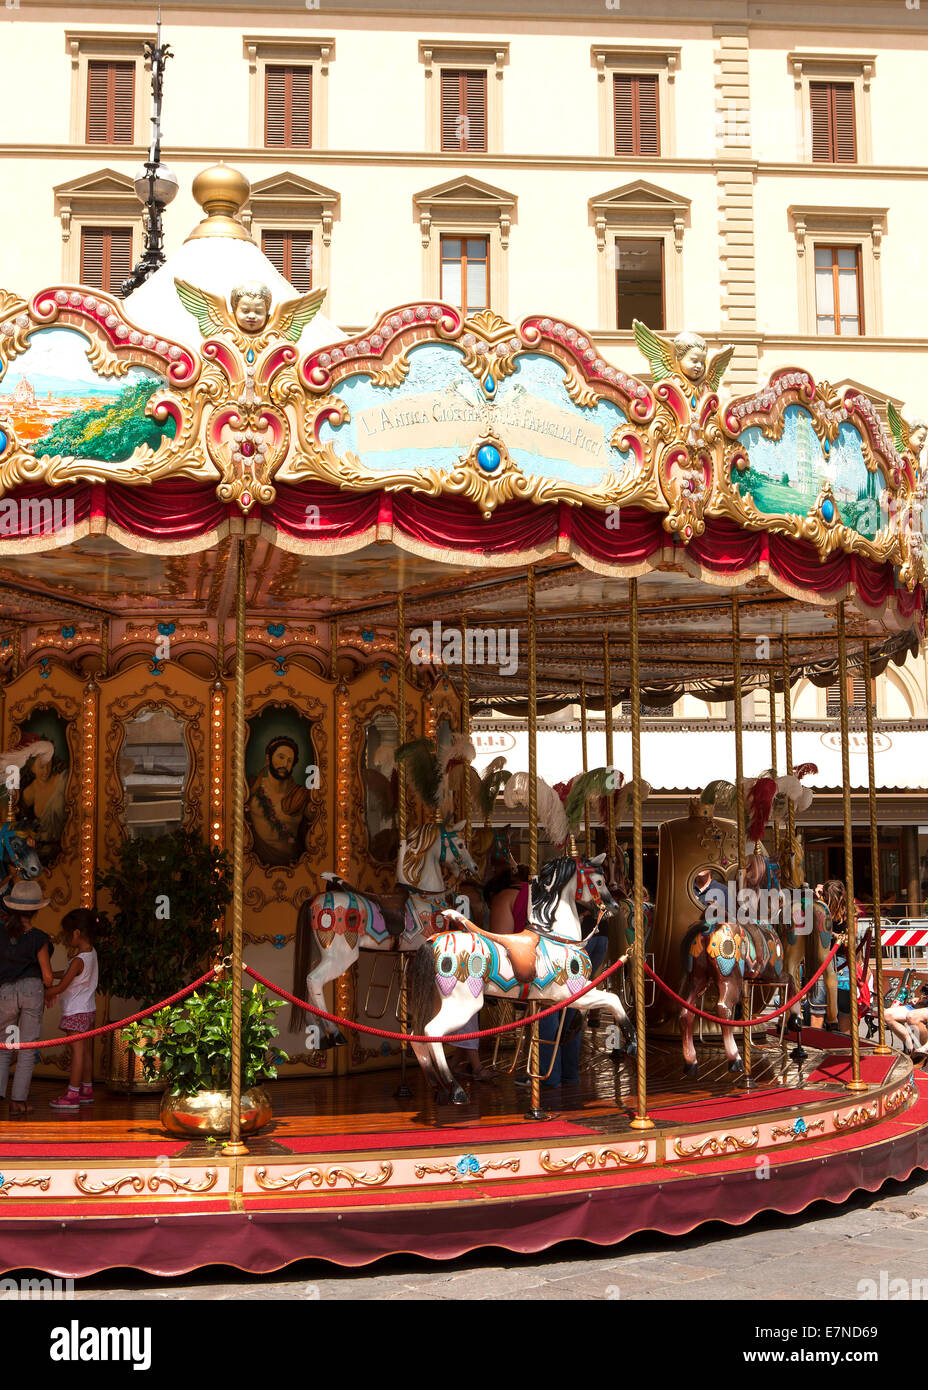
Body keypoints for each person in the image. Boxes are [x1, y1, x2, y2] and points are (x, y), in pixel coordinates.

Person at [0, 880, 53, 1116]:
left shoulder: (1, 933)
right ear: (36, 910)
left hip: (5, 992)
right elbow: (48, 977)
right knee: (27, 1048)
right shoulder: (38, 937)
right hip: (32, 990)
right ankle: (18, 1102)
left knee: (3, 1047)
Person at [44, 908, 101, 1110]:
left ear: (77, 933)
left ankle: (72, 1094)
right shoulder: (90, 954)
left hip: (76, 1011)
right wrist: (49, 973)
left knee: (77, 1052)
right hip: (87, 1009)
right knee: (84, 1051)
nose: (67, 938)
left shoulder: (79, 960)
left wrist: (47, 991)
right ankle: (86, 1089)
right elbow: (68, 975)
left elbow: (62, 986)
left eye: (68, 933)